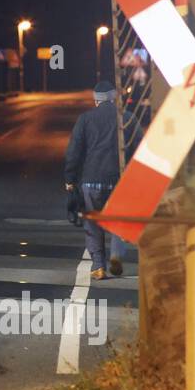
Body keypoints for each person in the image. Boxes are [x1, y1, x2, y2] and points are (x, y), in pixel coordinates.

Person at [65, 80, 124, 281]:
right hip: (118, 179)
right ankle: (116, 255)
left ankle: (99, 266)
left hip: (91, 180)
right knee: (118, 220)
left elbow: (74, 151)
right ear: (114, 99)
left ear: (96, 101)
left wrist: (70, 178)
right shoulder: (126, 118)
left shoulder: (85, 119)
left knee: (93, 224)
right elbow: (139, 147)